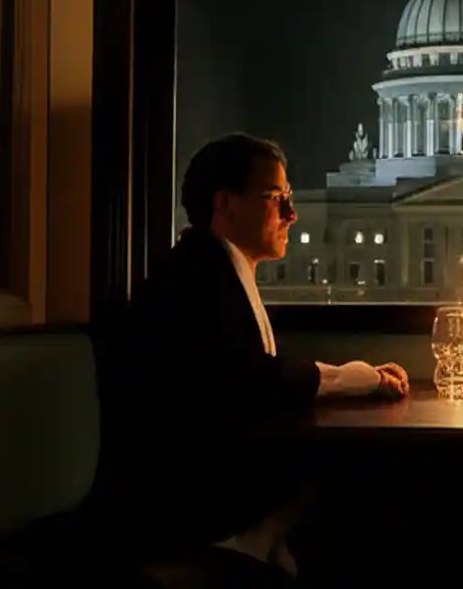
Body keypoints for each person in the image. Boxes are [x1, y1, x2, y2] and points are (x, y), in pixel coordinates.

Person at [94, 133, 410, 582]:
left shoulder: (209, 269)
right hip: (180, 503)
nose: (292, 214)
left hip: (190, 483)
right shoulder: (196, 281)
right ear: (225, 204)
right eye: (276, 198)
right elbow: (249, 382)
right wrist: (353, 378)